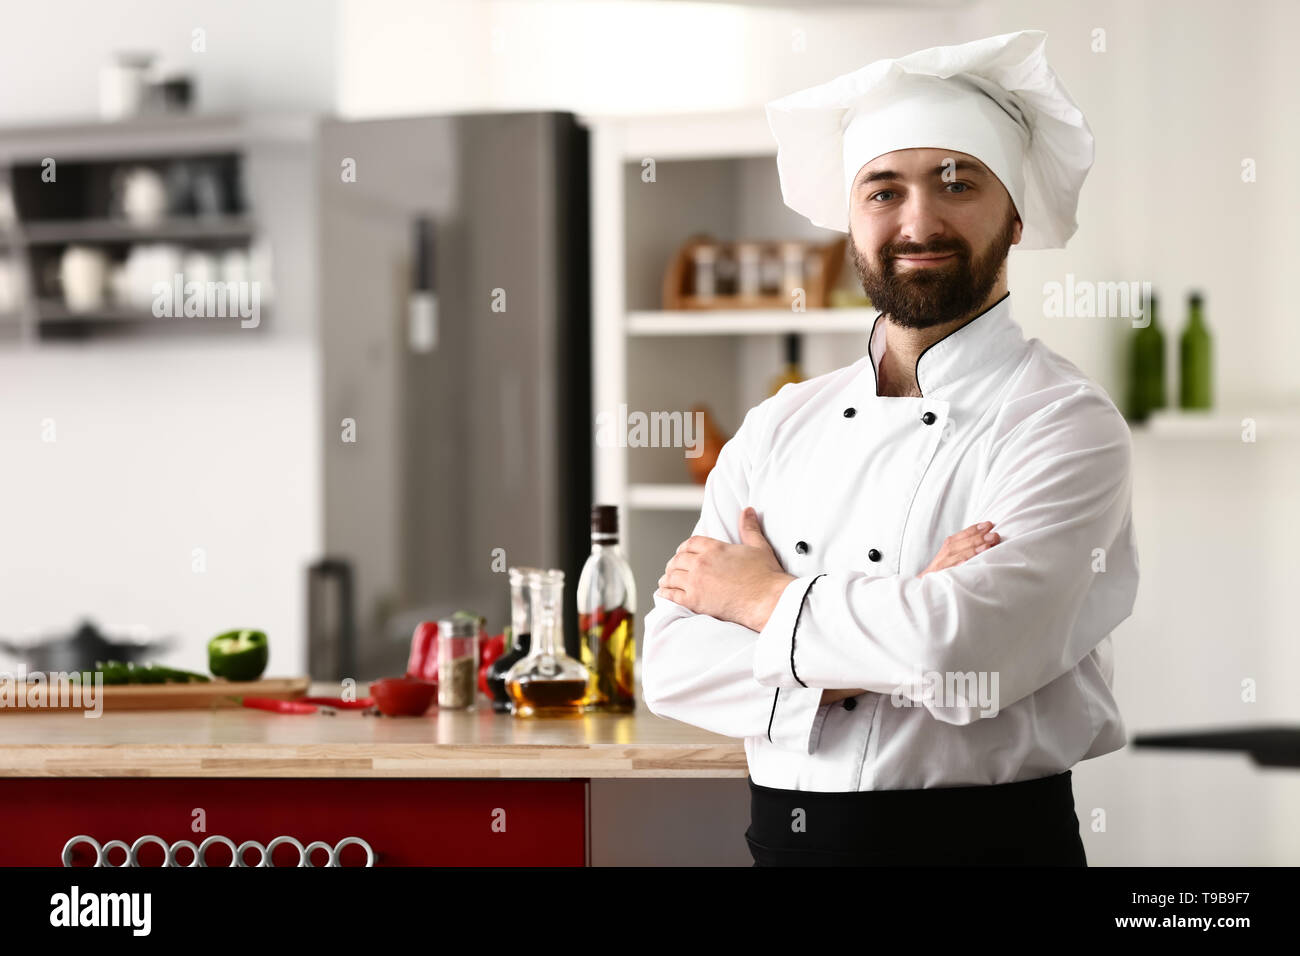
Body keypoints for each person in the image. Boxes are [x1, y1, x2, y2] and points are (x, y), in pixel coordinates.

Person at [641, 30, 1140, 867]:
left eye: (957, 182)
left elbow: (963, 650)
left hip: (985, 852)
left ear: (1013, 214)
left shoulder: (1065, 424)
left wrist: (762, 600)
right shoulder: (778, 424)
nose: (918, 220)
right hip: (788, 845)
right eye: (883, 189)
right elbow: (673, 662)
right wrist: (898, 625)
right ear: (851, 218)